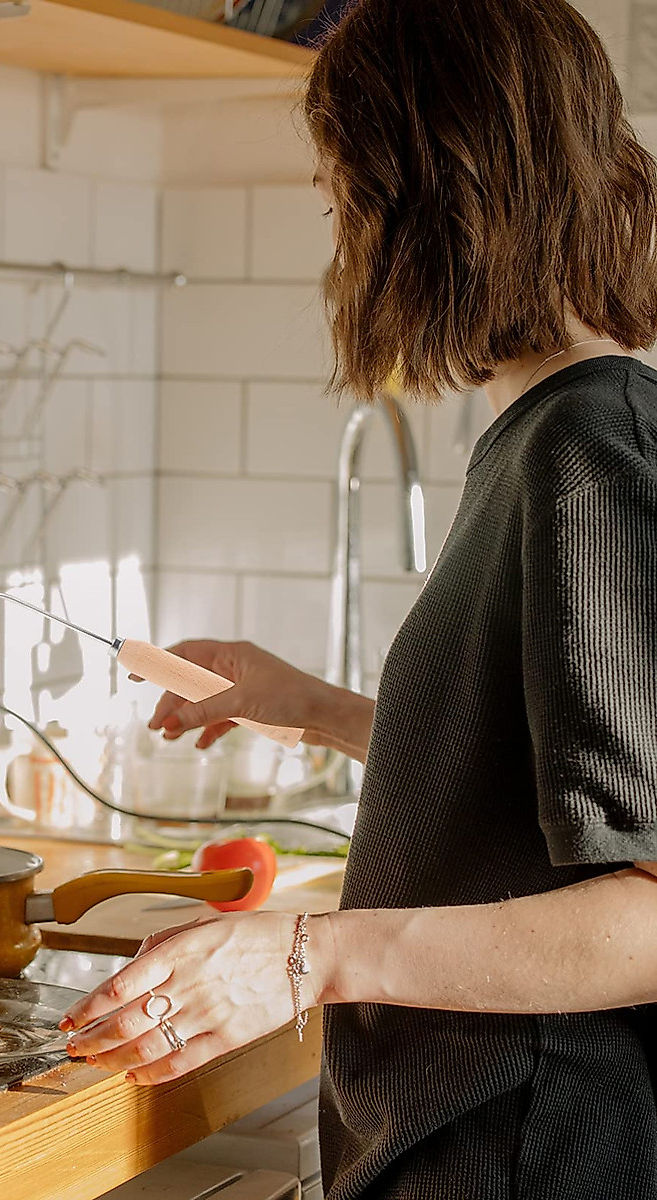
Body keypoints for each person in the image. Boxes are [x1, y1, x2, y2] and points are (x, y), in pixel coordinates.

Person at [59, 1, 657, 1196]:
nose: (342, 238)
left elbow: (645, 914)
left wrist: (306, 957)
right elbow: (529, 799)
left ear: (425, 202)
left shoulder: (587, 453)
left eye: (346, 199)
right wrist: (314, 709)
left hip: (528, 1157)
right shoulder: (547, 433)